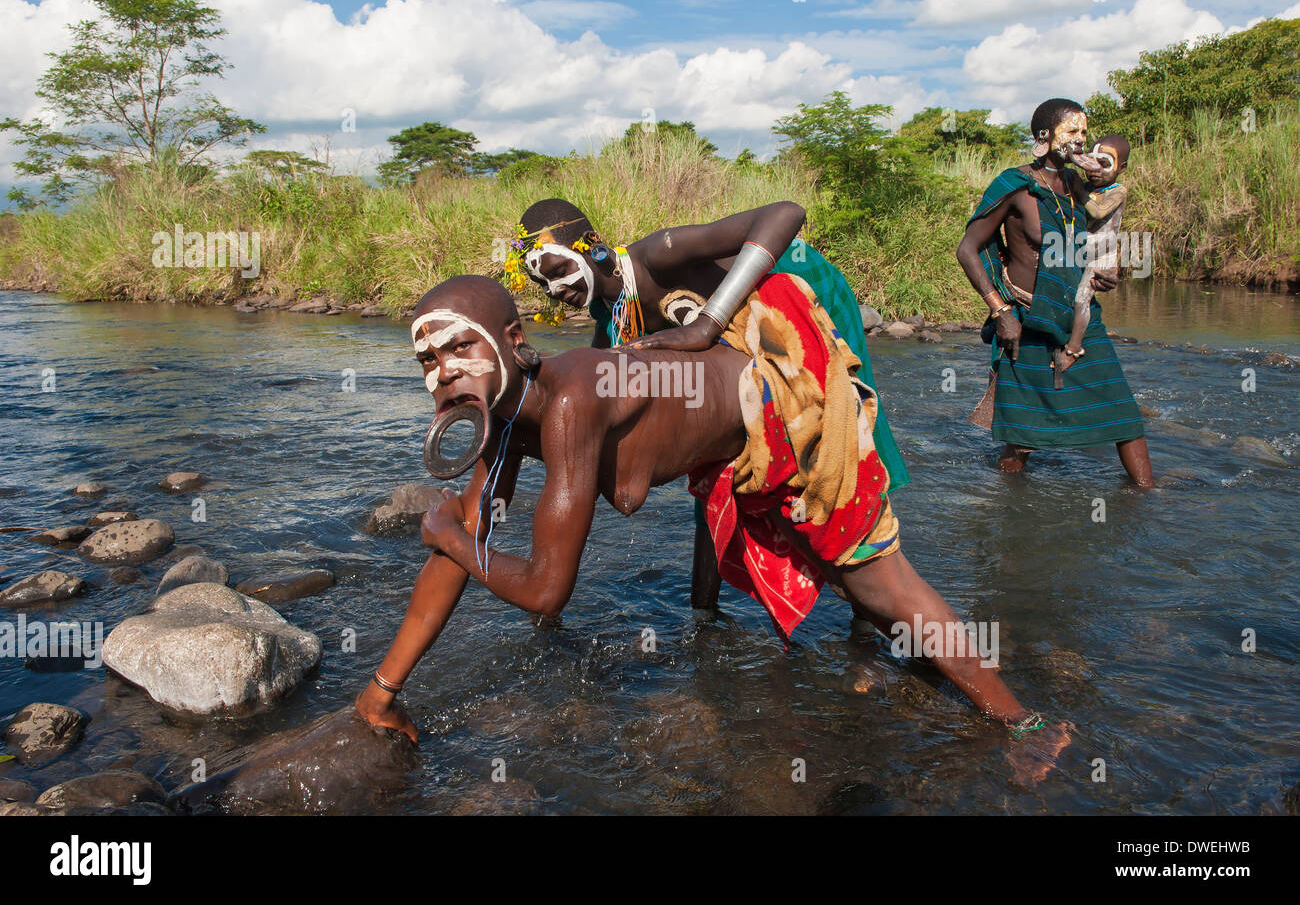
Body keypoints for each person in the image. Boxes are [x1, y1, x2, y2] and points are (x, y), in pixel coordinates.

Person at [353, 273, 1069, 780]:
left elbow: (543, 590)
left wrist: (448, 534)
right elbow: (461, 546)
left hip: (788, 410)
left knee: (879, 582)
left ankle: (1025, 722)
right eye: (427, 360)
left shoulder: (571, 401)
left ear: (513, 341)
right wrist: (381, 691)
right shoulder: (506, 420)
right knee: (859, 592)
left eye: (458, 349)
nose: (443, 373)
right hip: (728, 444)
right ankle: (924, 672)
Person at [506, 198, 911, 609]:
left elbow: (785, 214)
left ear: (592, 245)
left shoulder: (657, 256)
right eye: (543, 286)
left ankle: (876, 589)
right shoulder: (609, 315)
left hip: (800, 288)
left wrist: (708, 323)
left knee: (849, 427)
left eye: (557, 271)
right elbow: (595, 390)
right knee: (709, 461)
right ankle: (704, 613)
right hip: (742, 341)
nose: (555, 289)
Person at [955, 98, 1152, 485]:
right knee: (1021, 435)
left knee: (1122, 413)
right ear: (1044, 137)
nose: (1081, 141)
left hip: (1079, 315)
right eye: (1071, 132)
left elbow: (1092, 248)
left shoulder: (1079, 188)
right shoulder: (1015, 185)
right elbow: (968, 249)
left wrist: (1108, 276)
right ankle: (1007, 508)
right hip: (1026, 318)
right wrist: (1001, 312)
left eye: (1084, 132)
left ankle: (1150, 497)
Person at [1060, 135, 1131, 372]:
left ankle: (1074, 348)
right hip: (1081, 248)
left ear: (1121, 167)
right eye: (1092, 162)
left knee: (1083, 297)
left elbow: (1097, 211)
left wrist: (1078, 187)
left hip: (1102, 253)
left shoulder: (1118, 190)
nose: (1096, 170)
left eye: (1105, 164)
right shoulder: (1089, 187)